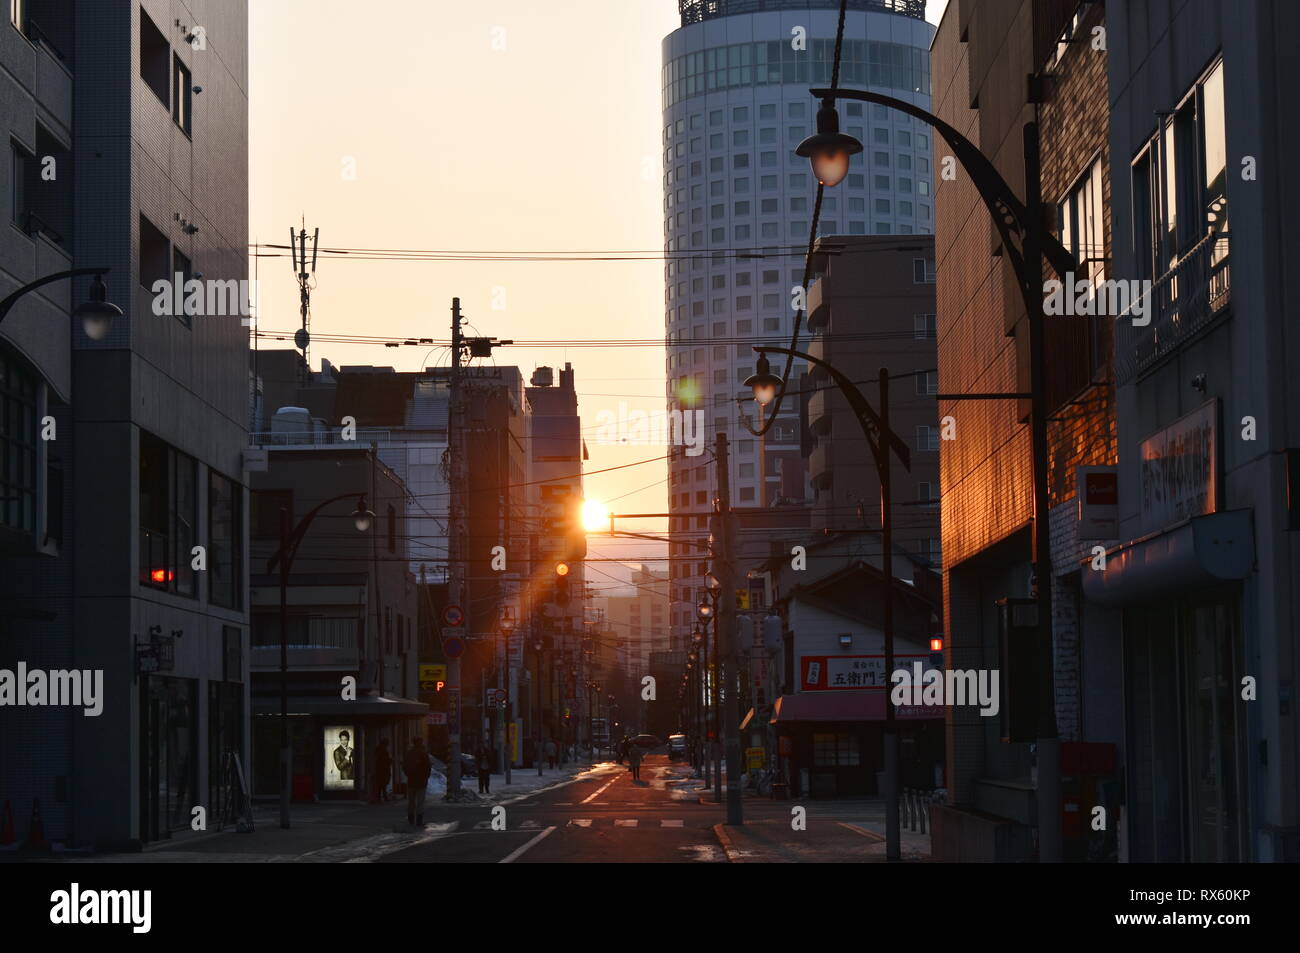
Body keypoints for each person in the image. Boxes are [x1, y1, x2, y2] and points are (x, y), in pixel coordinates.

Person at [402, 738, 432, 825]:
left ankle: (411, 818)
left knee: (411, 801)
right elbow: (428, 767)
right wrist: (426, 776)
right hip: (421, 781)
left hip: (411, 780)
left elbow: (404, 766)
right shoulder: (423, 754)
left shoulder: (408, 754)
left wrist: (409, 774)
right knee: (420, 801)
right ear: (420, 743)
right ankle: (419, 819)